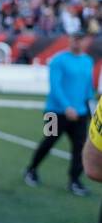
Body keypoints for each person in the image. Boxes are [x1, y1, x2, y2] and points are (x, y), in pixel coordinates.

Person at [24, 30, 96, 197]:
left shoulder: (87, 61)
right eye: (74, 39)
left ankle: (74, 181)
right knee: (48, 141)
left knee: (81, 148)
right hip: (54, 112)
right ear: (70, 40)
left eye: (80, 39)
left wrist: (91, 109)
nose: (77, 42)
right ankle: (31, 170)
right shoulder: (58, 60)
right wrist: (66, 107)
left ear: (85, 41)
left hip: (80, 114)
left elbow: (87, 88)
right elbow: (55, 86)